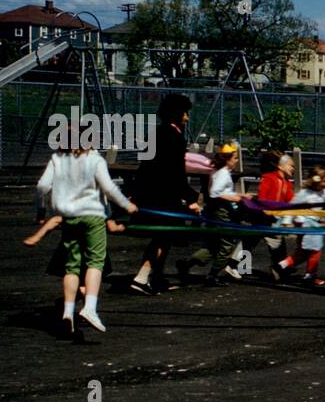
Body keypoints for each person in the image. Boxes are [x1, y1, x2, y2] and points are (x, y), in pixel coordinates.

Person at [34, 136, 138, 334]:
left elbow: (42, 186)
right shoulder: (94, 159)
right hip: (92, 215)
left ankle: (67, 312)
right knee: (95, 262)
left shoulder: (57, 159)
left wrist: (41, 210)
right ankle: (90, 308)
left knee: (71, 266)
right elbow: (108, 188)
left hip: (69, 217)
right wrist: (127, 205)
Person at [129, 94, 200, 295]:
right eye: (185, 113)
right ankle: (142, 277)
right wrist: (192, 198)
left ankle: (156, 277)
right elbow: (176, 173)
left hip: (148, 193)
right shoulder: (175, 138)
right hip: (165, 197)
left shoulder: (153, 133)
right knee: (164, 237)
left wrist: (134, 194)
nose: (187, 117)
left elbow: (143, 168)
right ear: (177, 114)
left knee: (163, 238)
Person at [177, 143, 249, 287]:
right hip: (222, 212)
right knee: (228, 244)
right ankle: (213, 274)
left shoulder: (217, 171)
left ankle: (188, 263)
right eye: (234, 158)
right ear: (227, 159)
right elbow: (216, 192)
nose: (236, 161)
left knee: (214, 244)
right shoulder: (223, 173)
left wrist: (240, 195)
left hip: (214, 211)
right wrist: (236, 198)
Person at [274, 166, 325, 287]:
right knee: (314, 251)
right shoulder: (305, 193)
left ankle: (281, 266)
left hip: (309, 225)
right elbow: (292, 206)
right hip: (308, 225)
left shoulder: (323, 193)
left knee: (303, 252)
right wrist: (287, 220)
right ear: (316, 180)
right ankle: (310, 275)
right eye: (324, 180)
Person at [257, 151, 296, 274]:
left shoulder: (287, 183)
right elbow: (262, 197)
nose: (292, 168)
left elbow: (291, 200)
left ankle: (280, 267)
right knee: (275, 242)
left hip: (275, 218)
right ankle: (279, 268)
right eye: (290, 165)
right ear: (280, 166)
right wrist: (266, 209)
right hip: (264, 217)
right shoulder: (269, 178)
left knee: (276, 242)